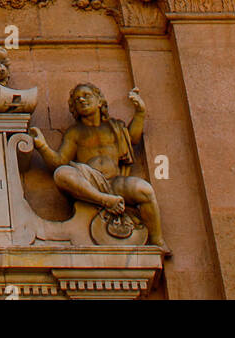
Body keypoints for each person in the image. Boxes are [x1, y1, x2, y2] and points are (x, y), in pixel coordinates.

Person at [29, 81, 170, 255]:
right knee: (62, 173)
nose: (81, 100)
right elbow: (59, 162)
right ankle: (104, 199)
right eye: (77, 99)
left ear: (99, 101)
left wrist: (140, 112)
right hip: (89, 180)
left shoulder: (115, 127)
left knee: (145, 190)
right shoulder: (75, 132)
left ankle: (157, 240)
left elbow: (132, 138)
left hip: (115, 181)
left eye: (86, 95)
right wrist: (43, 147)